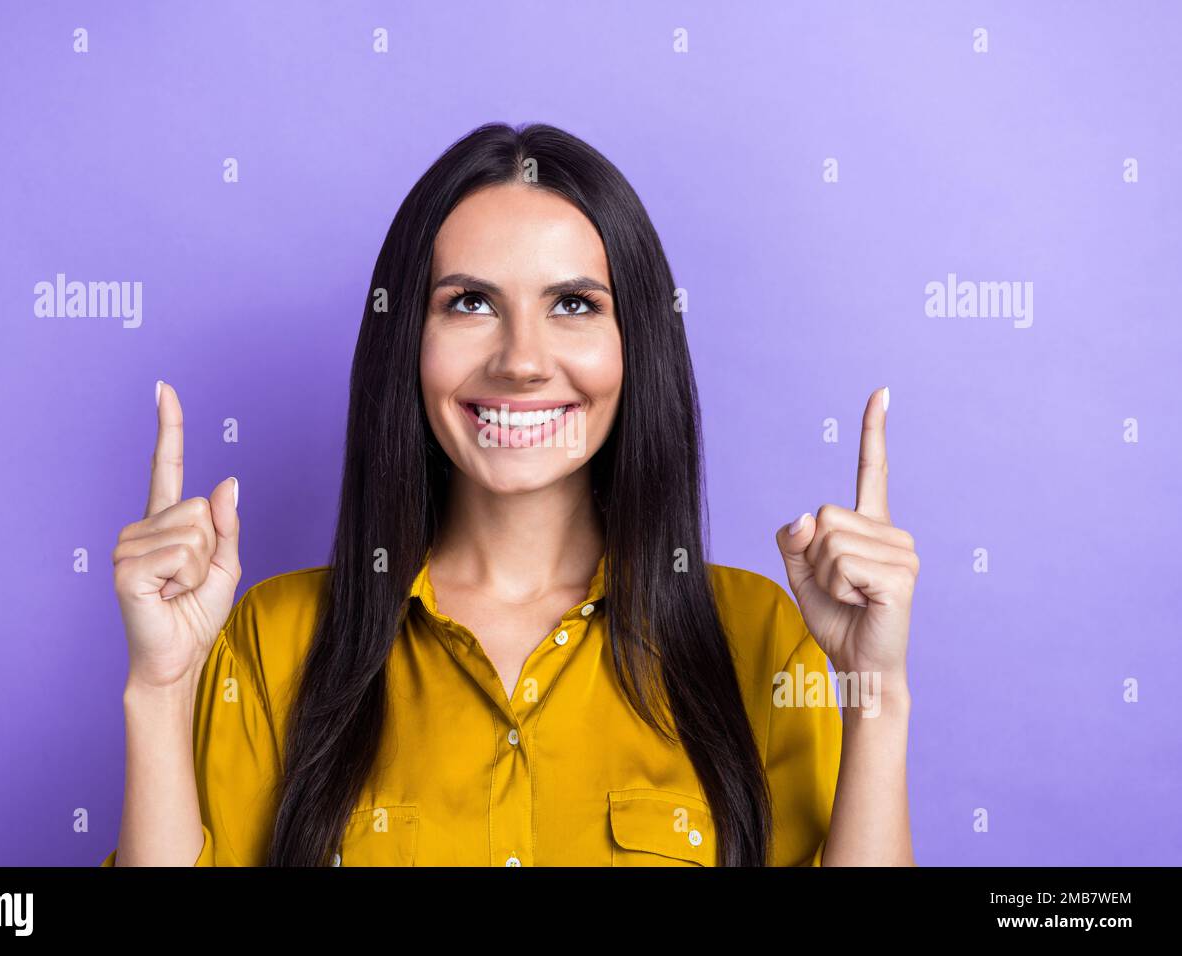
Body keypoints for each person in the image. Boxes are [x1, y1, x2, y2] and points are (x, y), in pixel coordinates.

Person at [101, 122, 917, 867]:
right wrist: (161, 690)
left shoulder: (759, 639)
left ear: (636, 347)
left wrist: (876, 693)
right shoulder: (274, 642)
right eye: (470, 302)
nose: (522, 360)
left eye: (573, 305)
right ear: (408, 344)